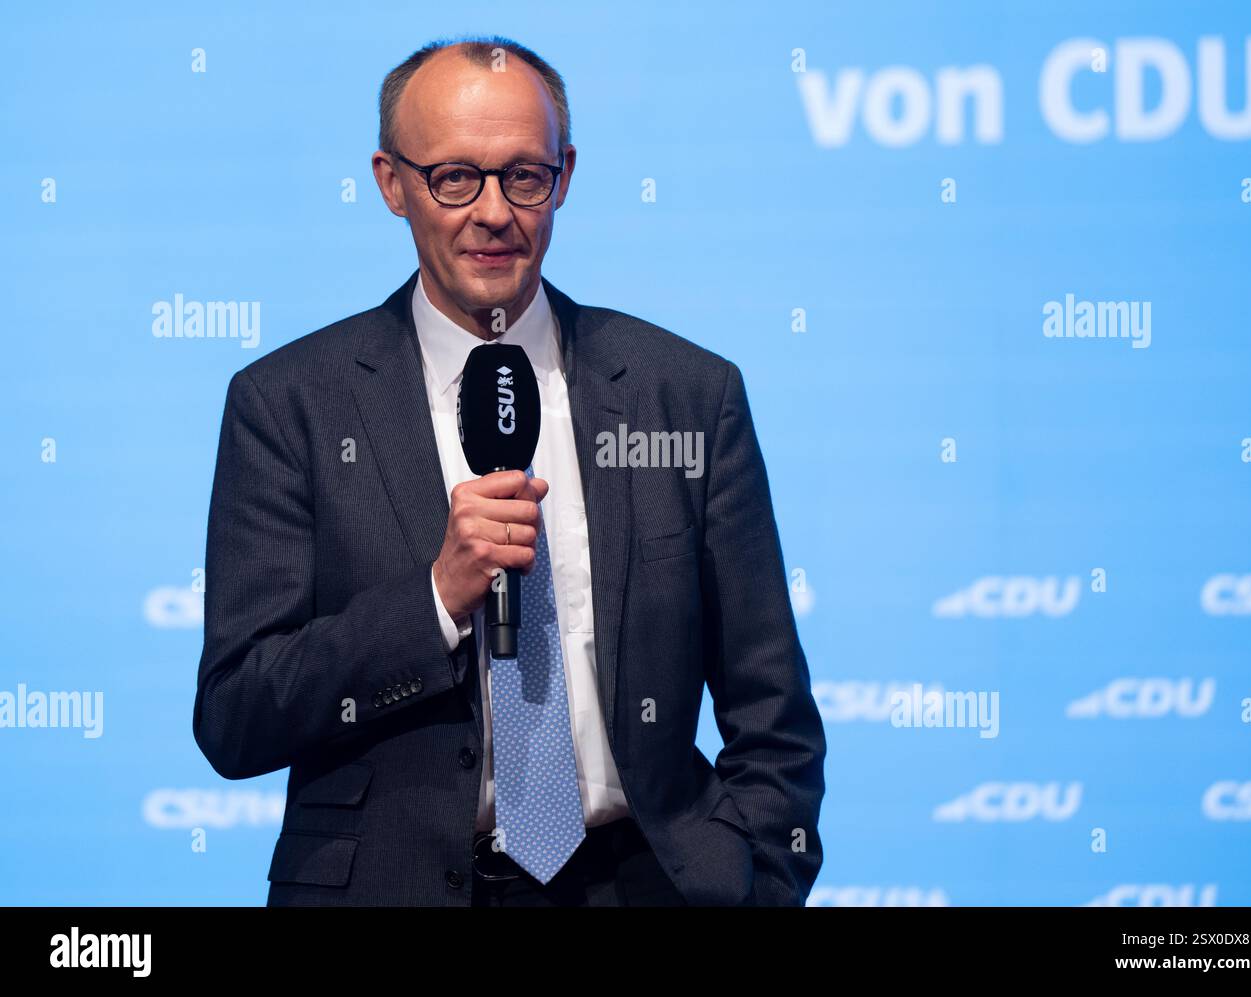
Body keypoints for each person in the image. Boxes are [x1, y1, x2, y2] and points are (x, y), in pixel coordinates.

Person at [193, 34, 826, 907]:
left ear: (564, 176)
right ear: (391, 182)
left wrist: (755, 881)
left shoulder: (685, 393)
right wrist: (436, 600)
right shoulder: (290, 403)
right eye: (455, 177)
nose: (494, 212)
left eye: (524, 176)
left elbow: (773, 706)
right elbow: (236, 716)